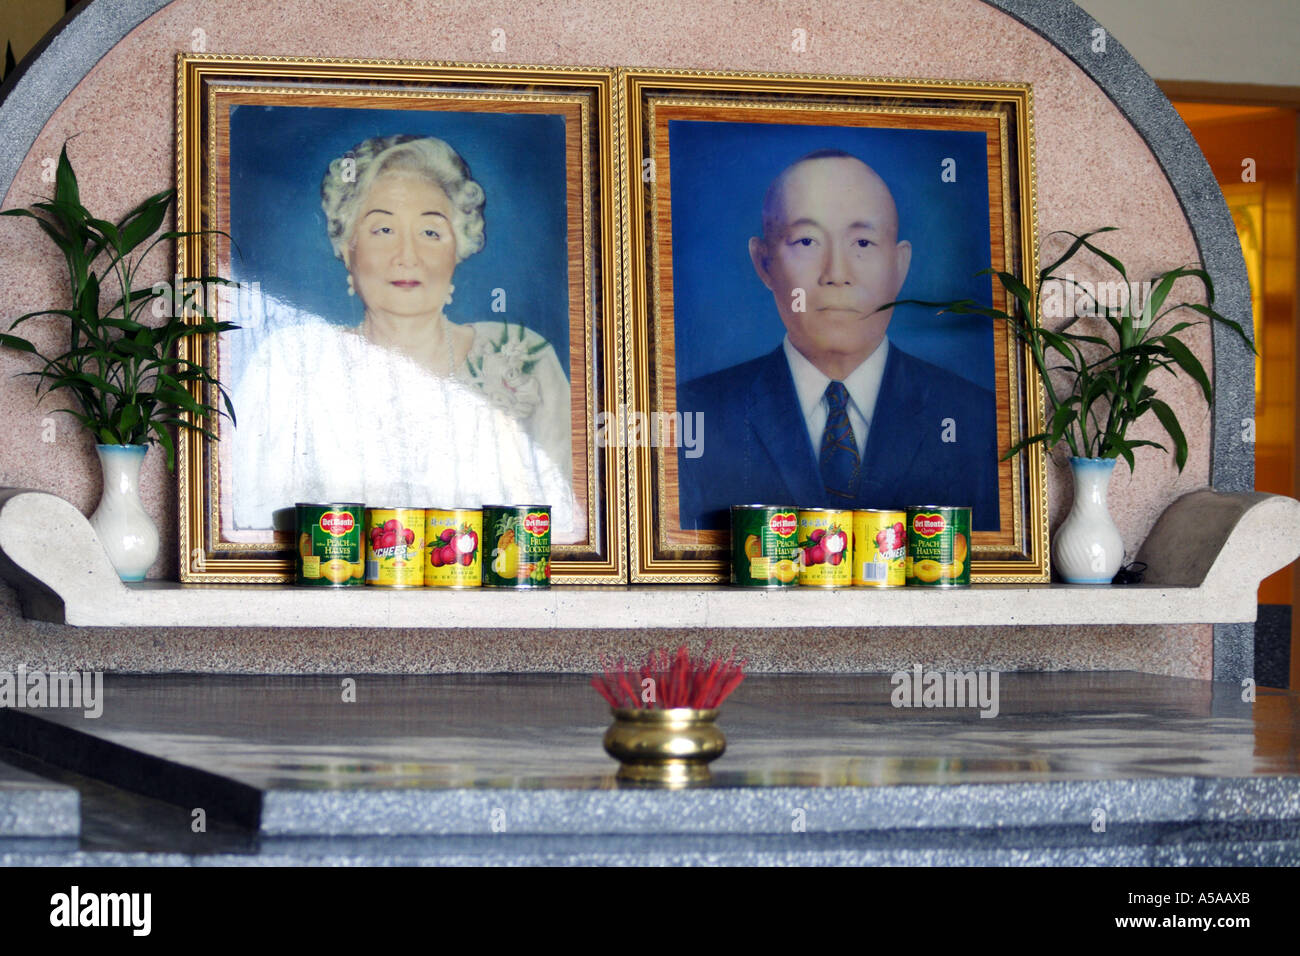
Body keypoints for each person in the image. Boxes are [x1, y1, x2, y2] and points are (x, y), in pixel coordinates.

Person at [229, 134, 579, 539]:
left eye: (430, 232)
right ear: (348, 245)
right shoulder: (290, 365)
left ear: (460, 245)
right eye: (383, 229)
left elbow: (565, 531)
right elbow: (250, 528)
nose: (407, 255)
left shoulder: (523, 357)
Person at [676, 149, 1000, 532]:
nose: (836, 274)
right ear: (763, 263)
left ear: (900, 265)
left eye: (862, 243)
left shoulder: (977, 419)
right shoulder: (694, 417)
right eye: (807, 242)